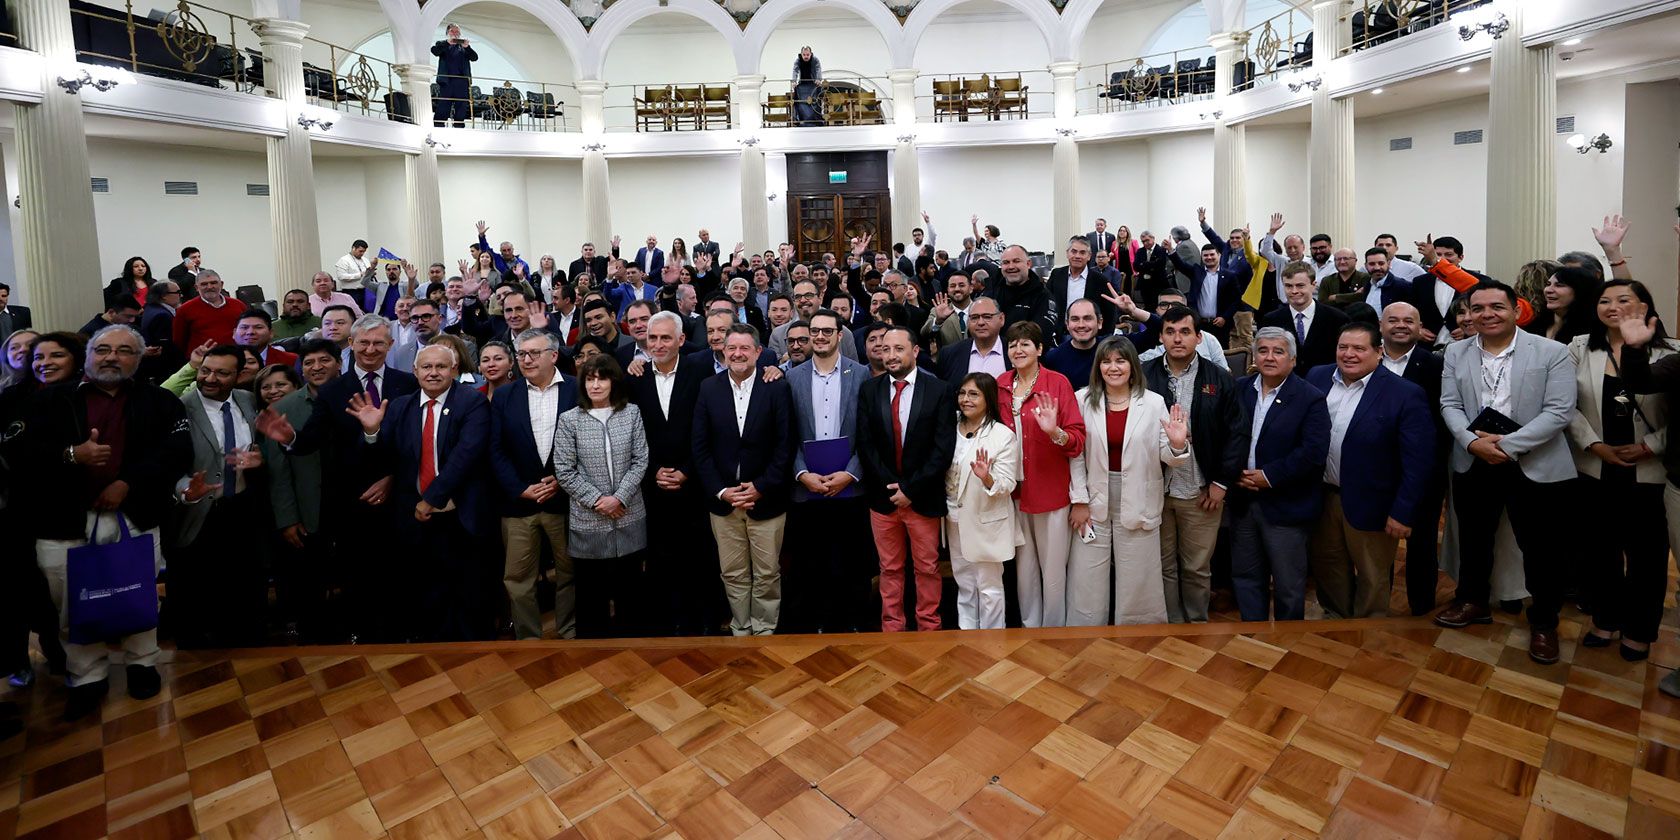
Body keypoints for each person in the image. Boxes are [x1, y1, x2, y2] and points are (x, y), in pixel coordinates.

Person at [16, 325, 191, 720]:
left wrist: (126, 482)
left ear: (140, 357)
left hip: (135, 514)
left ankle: (142, 665)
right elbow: (18, 447)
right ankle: (86, 676)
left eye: (125, 350)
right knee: (70, 605)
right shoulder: (48, 401)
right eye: (104, 349)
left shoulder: (159, 400)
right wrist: (69, 455)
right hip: (62, 520)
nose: (112, 357)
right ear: (89, 355)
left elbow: (177, 450)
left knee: (139, 592)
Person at [1435, 281, 1577, 665]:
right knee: (1475, 538)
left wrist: (1506, 447)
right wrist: (1471, 443)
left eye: (1496, 306)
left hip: (1534, 464)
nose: (1486, 314)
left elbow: (1559, 412)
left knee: (1541, 548)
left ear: (1517, 310)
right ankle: (1473, 601)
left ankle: (1545, 622)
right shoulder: (1456, 351)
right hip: (1474, 459)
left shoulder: (1552, 352)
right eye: (1477, 308)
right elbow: (1449, 403)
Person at [255, 314, 419, 642]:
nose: (370, 350)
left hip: (398, 496)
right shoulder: (333, 391)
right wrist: (289, 438)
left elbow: (416, 443)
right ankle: (362, 634)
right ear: (351, 345)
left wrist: (391, 477)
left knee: (400, 571)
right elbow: (310, 441)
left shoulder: (408, 383)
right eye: (364, 343)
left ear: (390, 345)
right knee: (355, 573)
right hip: (349, 502)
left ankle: (401, 633)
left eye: (378, 343)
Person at [348, 343, 494, 641]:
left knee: (467, 587)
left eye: (441, 366)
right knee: (424, 585)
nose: (433, 372)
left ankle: (473, 649)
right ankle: (431, 645)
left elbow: (466, 456)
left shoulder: (473, 402)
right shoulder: (400, 406)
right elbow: (384, 460)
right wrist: (372, 432)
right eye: (426, 367)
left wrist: (431, 499)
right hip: (413, 515)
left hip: (459, 511)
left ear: (454, 369)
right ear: (415, 371)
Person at [1566, 280, 1672, 662]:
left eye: (1623, 299)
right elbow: (1566, 405)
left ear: (1644, 305)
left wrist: (1650, 446)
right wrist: (1594, 445)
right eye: (1604, 300)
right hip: (1595, 465)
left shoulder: (1670, 351)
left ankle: (1640, 630)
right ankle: (1605, 619)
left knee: (1646, 554)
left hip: (1649, 470)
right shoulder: (1579, 347)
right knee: (1599, 549)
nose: (1613, 306)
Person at [1304, 322, 1434, 619]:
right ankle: (1336, 623)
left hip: (1374, 502)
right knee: (1328, 565)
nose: (1349, 354)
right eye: (1343, 347)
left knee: (1373, 574)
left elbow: (1419, 460)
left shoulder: (1405, 393)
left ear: (1378, 352)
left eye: (1359, 348)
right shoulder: (1317, 377)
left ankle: (1370, 633)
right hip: (1322, 497)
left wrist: (1403, 512)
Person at [1066, 337, 1190, 625]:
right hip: (1093, 496)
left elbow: (1170, 456)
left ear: (1132, 367)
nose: (1113, 367)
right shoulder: (1081, 399)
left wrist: (1177, 444)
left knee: (1139, 574)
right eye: (1106, 361)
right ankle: (1085, 634)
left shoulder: (1153, 402)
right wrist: (1079, 500)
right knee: (1087, 576)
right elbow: (1075, 455)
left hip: (1138, 497)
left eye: (1120, 361)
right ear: (1098, 367)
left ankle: (1138, 638)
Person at [1142, 305, 1247, 624]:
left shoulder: (1220, 378)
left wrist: (1220, 483)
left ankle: (1196, 625)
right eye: (1170, 332)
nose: (1178, 338)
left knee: (1197, 567)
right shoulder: (1144, 375)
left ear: (1199, 339)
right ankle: (1172, 624)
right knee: (1163, 566)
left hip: (1201, 491)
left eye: (1185, 332)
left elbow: (1237, 434)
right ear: (1161, 337)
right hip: (1155, 491)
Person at [692, 325, 794, 636]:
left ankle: (764, 629)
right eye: (731, 348)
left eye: (744, 348)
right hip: (723, 503)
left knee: (767, 573)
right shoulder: (709, 388)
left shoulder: (776, 387)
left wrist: (761, 487)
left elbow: (785, 445)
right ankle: (741, 626)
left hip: (767, 499)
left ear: (758, 353)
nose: (737, 354)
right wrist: (722, 491)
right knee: (732, 572)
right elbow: (700, 447)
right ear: (723, 351)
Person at [857, 325, 956, 631]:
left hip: (922, 497)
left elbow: (942, 449)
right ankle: (892, 628)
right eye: (886, 349)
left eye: (898, 349)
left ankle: (929, 626)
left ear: (915, 351)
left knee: (926, 567)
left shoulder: (939, 389)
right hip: (883, 499)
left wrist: (910, 489)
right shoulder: (869, 390)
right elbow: (865, 443)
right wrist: (893, 488)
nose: (891, 355)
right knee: (889, 568)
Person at [169, 345, 267, 649]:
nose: (210, 378)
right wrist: (185, 490)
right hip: (197, 508)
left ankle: (238, 637)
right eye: (205, 371)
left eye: (222, 373)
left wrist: (261, 459)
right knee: (193, 583)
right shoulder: (179, 407)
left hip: (240, 504)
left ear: (239, 376)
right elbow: (166, 463)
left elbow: (279, 441)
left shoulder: (249, 401)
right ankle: (193, 646)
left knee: (240, 578)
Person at [624, 312, 716, 635]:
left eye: (665, 338)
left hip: (693, 483)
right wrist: (653, 472)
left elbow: (708, 430)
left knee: (699, 556)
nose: (658, 344)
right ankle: (666, 623)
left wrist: (687, 472)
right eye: (653, 338)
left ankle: (703, 621)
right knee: (660, 558)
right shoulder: (633, 377)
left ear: (681, 340)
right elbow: (630, 436)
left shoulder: (702, 372)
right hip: (651, 485)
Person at [1230, 328, 1329, 621]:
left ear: (1293, 358)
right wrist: (1233, 471)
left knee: (1288, 584)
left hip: (1286, 503)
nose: (1269, 357)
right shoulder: (1239, 388)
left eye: (1278, 351)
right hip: (1242, 500)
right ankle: (1254, 636)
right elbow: (1227, 436)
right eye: (1263, 350)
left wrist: (1268, 476)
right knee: (1246, 576)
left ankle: (1290, 644)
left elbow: (1312, 452)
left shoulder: (1310, 398)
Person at [487, 329, 577, 640]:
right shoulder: (504, 395)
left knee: (570, 573)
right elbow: (495, 449)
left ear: (554, 355)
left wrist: (564, 482)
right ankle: (528, 639)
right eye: (521, 354)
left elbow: (590, 443)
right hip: (518, 502)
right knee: (518, 577)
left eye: (533, 353)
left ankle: (569, 634)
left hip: (566, 500)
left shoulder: (577, 390)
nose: (526, 359)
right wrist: (520, 488)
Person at [788, 310, 872, 633]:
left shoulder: (861, 374)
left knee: (852, 560)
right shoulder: (791, 377)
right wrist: (801, 474)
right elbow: (787, 434)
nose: (820, 336)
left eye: (827, 331)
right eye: (815, 331)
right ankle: (818, 622)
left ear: (840, 335)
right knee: (812, 561)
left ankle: (853, 621)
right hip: (807, 487)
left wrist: (851, 472)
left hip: (850, 486)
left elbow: (869, 430)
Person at [551, 355, 647, 639]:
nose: (595, 385)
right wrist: (598, 501)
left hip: (628, 514)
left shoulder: (632, 413)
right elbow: (564, 471)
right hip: (588, 519)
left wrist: (619, 498)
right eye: (589, 379)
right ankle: (593, 651)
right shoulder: (570, 420)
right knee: (592, 593)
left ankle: (632, 643)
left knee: (630, 587)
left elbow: (640, 460)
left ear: (613, 382)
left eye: (601, 378)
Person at [998, 321, 1086, 628]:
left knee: (1052, 569)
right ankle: (1029, 628)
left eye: (1025, 344)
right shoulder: (999, 384)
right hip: (1013, 493)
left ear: (1039, 349)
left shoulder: (1057, 383)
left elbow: (1077, 440)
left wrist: (1055, 432)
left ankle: (1053, 631)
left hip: (1050, 490)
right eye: (1012, 344)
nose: (1018, 350)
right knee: (1024, 569)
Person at [262, 339, 340, 642]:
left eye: (324, 361)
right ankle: (313, 637)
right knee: (310, 583)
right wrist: (287, 518)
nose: (316, 368)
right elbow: (278, 472)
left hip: (349, 505)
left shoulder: (356, 397)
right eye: (308, 362)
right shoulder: (283, 408)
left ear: (339, 364)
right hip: (306, 511)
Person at [1379, 302, 1449, 616]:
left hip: (1422, 471)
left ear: (1420, 328)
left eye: (1409, 320)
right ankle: (1374, 605)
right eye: (1393, 320)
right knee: (1374, 546)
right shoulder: (1363, 359)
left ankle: (1422, 605)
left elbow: (1442, 418)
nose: (1401, 325)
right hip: (1374, 471)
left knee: (1422, 544)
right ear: (1381, 326)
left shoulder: (1436, 366)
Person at [944, 373, 1017, 629]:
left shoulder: (1002, 434)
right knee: (964, 583)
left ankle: (993, 641)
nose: (966, 399)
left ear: (989, 399)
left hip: (986, 520)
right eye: (963, 393)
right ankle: (968, 635)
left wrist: (987, 478)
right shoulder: (948, 425)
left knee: (989, 587)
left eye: (974, 394)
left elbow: (1008, 484)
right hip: (953, 518)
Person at [1260, 260, 1349, 371]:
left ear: (1313, 285)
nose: (1294, 291)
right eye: (1288, 286)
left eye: (1300, 286)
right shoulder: (1271, 320)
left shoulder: (1337, 318)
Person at [1048, 236, 1117, 342]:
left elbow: (1110, 313)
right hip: (1061, 336)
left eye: (1082, 253)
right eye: (1074, 251)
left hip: (1090, 337)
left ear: (1089, 256)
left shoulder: (1100, 280)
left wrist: (1103, 340)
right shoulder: (1057, 275)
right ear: (1067, 253)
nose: (1077, 256)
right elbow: (1047, 302)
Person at [173, 270, 243, 350]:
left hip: (235, 356)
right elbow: (179, 340)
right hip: (202, 360)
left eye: (213, 283)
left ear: (221, 284)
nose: (209, 287)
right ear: (196, 287)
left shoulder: (238, 305)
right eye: (204, 284)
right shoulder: (185, 310)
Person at [431, 23, 477, 127]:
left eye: (457, 32)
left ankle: (459, 126)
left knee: (461, 105)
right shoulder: (442, 44)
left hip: (462, 81)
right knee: (444, 104)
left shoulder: (464, 47)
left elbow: (474, 58)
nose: (455, 34)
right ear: (447, 33)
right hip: (446, 81)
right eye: (452, 31)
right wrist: (448, 43)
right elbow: (435, 51)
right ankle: (438, 125)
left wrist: (467, 47)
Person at [792, 46, 822, 126]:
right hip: (803, 83)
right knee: (799, 99)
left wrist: (818, 79)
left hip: (813, 83)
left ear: (811, 54)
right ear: (801, 54)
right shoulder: (798, 60)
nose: (806, 57)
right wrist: (794, 81)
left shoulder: (815, 60)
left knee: (817, 98)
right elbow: (795, 70)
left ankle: (817, 119)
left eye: (807, 55)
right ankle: (800, 118)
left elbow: (818, 69)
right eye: (804, 55)